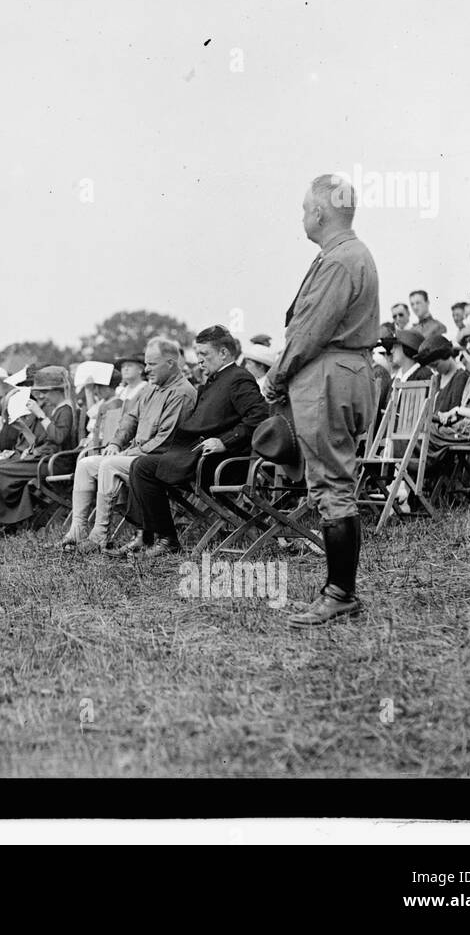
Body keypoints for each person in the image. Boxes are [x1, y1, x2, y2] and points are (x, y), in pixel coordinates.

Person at [261, 173, 379, 626]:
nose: (301, 216)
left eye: (303, 207)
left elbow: (308, 331)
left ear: (318, 212)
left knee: (331, 485)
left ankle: (339, 593)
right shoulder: (350, 254)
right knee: (332, 482)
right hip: (341, 374)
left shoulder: (338, 260)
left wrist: (276, 375)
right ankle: (338, 589)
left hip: (326, 377)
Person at [121, 326, 266, 558]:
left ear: (224, 353)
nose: (199, 361)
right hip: (197, 456)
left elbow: (259, 416)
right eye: (197, 355)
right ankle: (149, 536)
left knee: (143, 467)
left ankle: (165, 539)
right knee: (141, 465)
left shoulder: (239, 379)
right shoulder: (215, 379)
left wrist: (225, 441)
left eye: (205, 355)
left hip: (222, 463)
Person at [62, 337, 196, 552]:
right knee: (86, 464)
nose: (146, 370)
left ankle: (100, 535)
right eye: (146, 363)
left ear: (171, 363)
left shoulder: (181, 393)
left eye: (152, 364)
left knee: (109, 464)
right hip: (137, 454)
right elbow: (130, 418)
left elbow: (165, 441)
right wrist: (115, 443)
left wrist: (125, 452)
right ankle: (77, 529)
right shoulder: (151, 388)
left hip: (160, 460)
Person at [0, 365, 77, 530]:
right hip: (45, 459)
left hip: (55, 463)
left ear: (57, 391)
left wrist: (40, 415)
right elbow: (45, 441)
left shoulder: (65, 410)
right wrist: (30, 443)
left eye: (45, 392)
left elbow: (58, 437)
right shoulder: (58, 409)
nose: (42, 396)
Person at [416, 333, 470, 413]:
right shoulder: (437, 378)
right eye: (431, 367)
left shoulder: (461, 378)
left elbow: (455, 412)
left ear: (446, 355)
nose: (434, 370)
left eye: (436, 365)